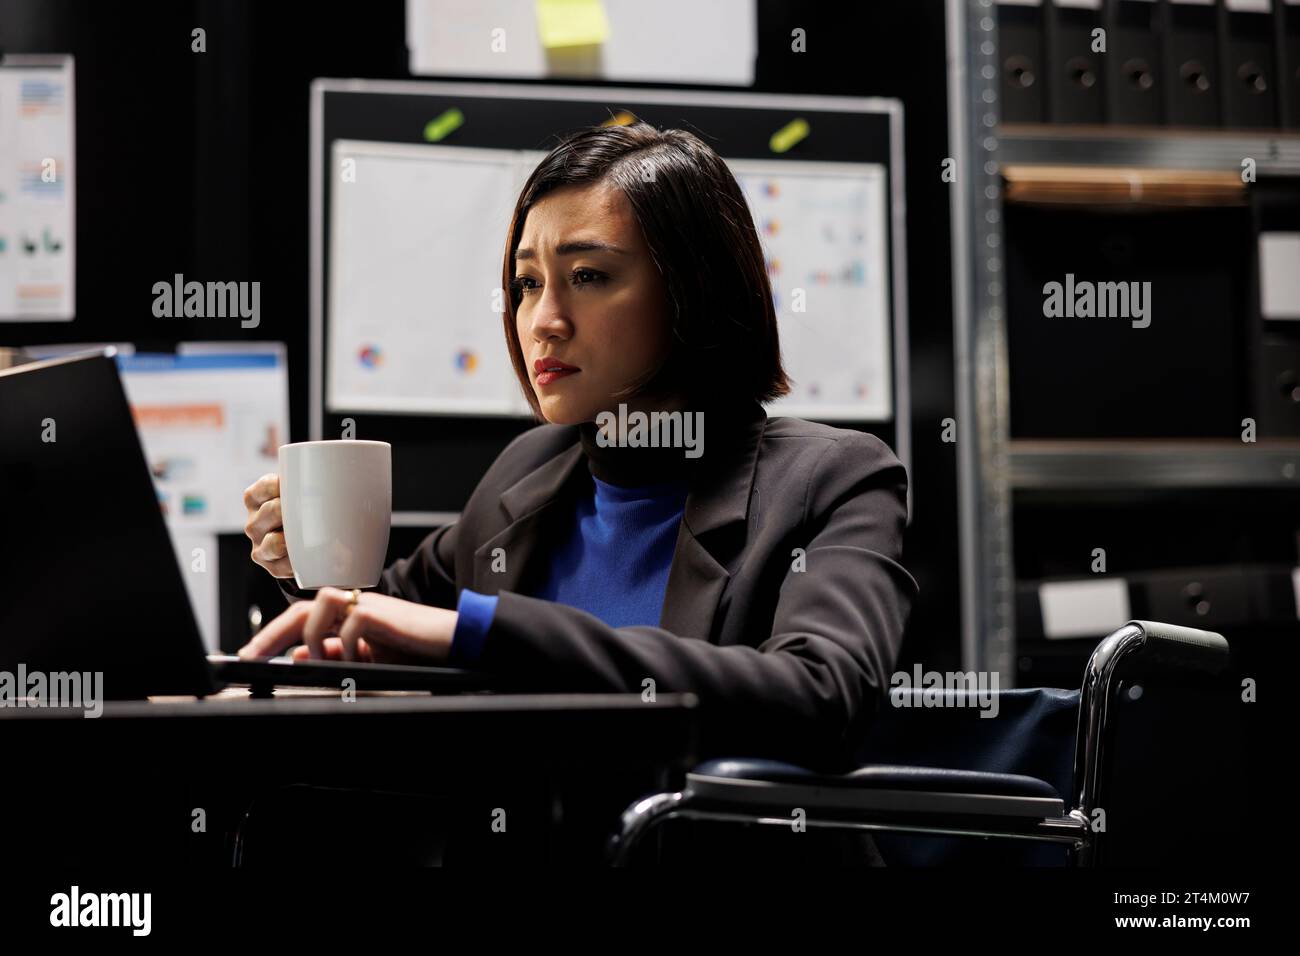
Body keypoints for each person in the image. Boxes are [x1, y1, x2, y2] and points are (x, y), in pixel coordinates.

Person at [241, 121, 918, 863]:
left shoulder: (836, 478)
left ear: (694, 290)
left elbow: (819, 700)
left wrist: (485, 633)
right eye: (527, 283)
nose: (543, 321)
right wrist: (312, 570)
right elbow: (384, 631)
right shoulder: (527, 473)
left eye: (589, 276)